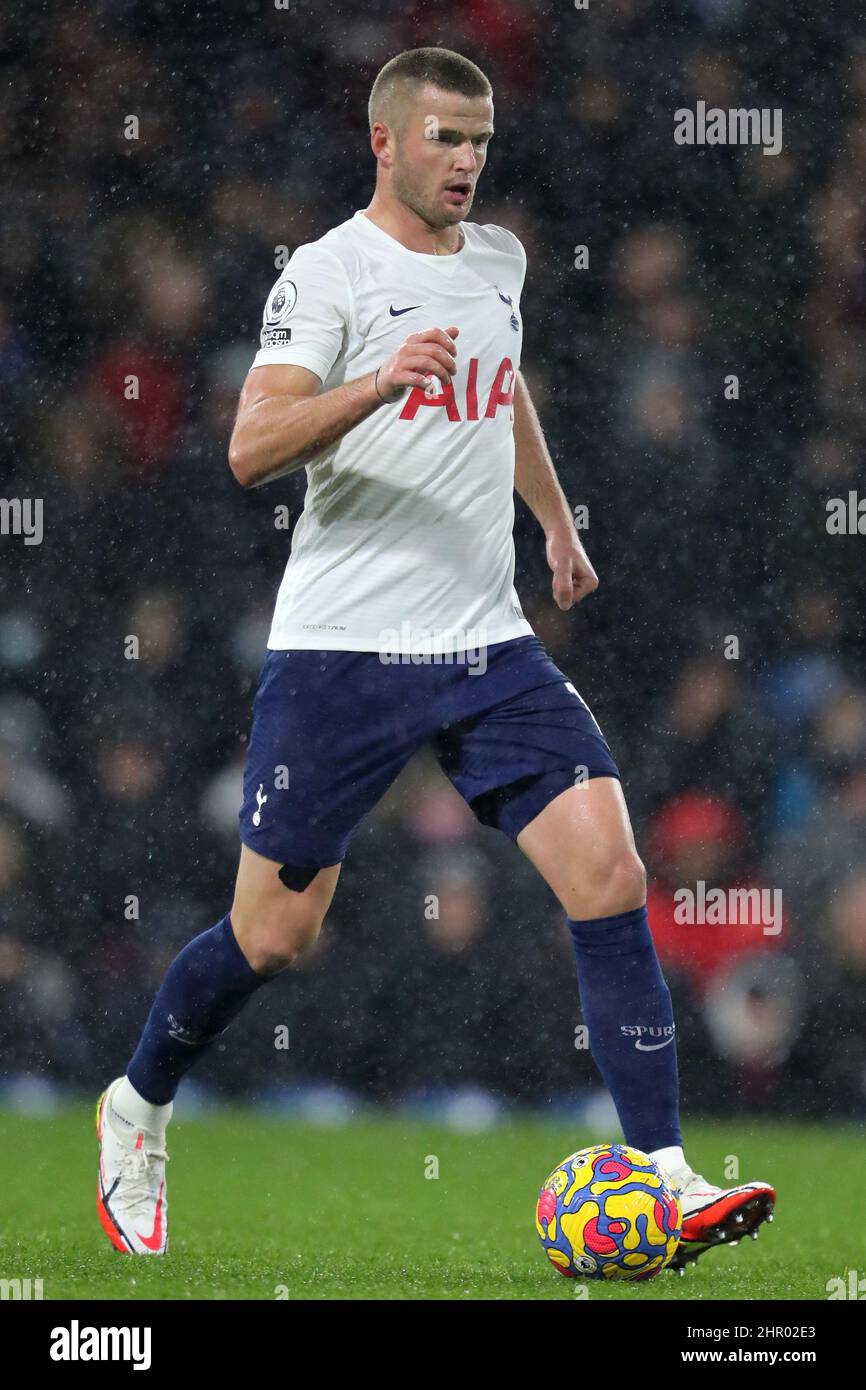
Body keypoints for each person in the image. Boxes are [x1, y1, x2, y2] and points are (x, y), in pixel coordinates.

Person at [96, 47, 774, 1269]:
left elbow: (500, 387)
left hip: (485, 641)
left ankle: (666, 1175)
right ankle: (138, 1105)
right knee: (273, 938)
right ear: (385, 141)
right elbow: (251, 446)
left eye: (480, 139)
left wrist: (556, 524)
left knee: (610, 873)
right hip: (343, 650)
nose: (467, 161)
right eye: (445, 138)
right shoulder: (326, 273)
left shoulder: (500, 262)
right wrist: (368, 384)